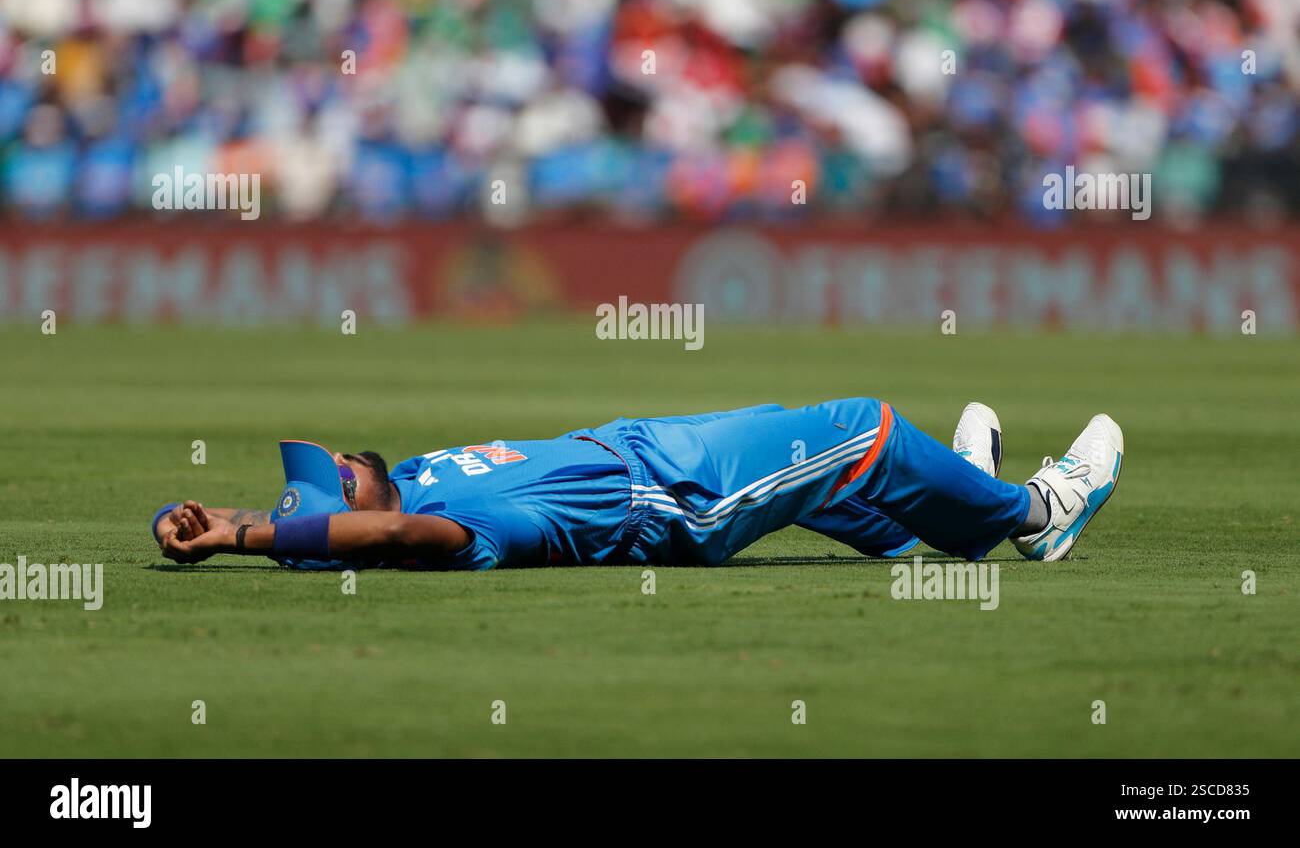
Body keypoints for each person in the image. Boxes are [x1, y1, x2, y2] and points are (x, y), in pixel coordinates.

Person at [151, 399, 1123, 571]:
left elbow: (302, 523)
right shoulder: (439, 526)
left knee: (826, 482)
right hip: (675, 494)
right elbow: (379, 538)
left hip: (650, 447)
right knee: (861, 430)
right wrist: (258, 539)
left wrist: (198, 523)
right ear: (361, 513)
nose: (344, 462)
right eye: (339, 479)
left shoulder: (407, 480)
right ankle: (1034, 515)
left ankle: (957, 517)